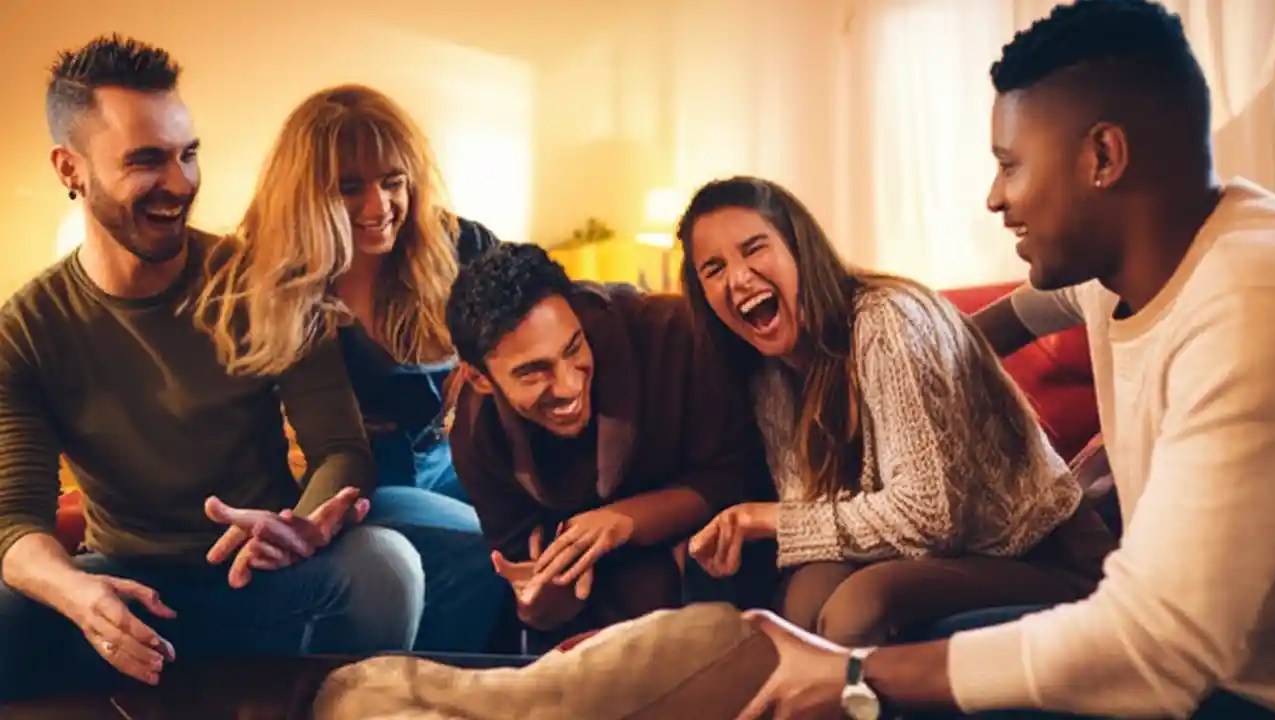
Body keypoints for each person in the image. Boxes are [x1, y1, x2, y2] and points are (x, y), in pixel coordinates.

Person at [732, 1, 1275, 717]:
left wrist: (855, 676)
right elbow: (987, 327)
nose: (996, 199)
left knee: (906, 679)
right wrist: (885, 372)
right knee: (931, 642)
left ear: (1104, 158)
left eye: (1010, 166)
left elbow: (1151, 649)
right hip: (1183, 655)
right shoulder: (1112, 276)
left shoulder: (1247, 296)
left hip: (1241, 690)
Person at [0, 35, 425, 702]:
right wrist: (77, 593)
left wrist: (305, 528)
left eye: (187, 154)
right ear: (70, 168)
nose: (179, 183)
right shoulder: (26, 329)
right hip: (125, 583)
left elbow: (341, 451)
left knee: (387, 567)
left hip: (261, 576)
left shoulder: (266, 284)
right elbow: (15, 526)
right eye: (146, 161)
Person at [679, 175, 1114, 648]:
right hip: (936, 556)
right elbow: (813, 514)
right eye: (714, 268)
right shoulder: (769, 376)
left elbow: (928, 516)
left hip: (1042, 554)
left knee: (856, 609)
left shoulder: (887, 322)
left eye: (754, 248)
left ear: (798, 247)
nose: (738, 277)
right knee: (802, 599)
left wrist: (769, 519)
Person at [193, 84, 504, 652]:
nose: (378, 207)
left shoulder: (458, 246)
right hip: (360, 480)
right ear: (306, 195)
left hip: (454, 454)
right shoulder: (268, 284)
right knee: (495, 545)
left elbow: (547, 311)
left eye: (393, 182)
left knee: (552, 528)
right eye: (350, 188)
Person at [443, 242, 767, 647]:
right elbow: (538, 595)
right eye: (532, 372)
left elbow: (740, 476)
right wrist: (540, 599)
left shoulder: (671, 332)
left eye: (573, 348)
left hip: (728, 559)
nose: (569, 385)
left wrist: (624, 520)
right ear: (479, 379)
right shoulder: (478, 434)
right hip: (602, 608)